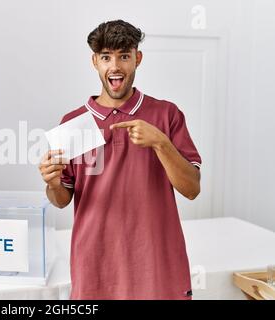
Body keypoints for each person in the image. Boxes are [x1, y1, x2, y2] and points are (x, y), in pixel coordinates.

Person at [39, 20, 202, 299]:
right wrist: (52, 183)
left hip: (157, 268)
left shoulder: (167, 114)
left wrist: (161, 143)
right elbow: (62, 199)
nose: (115, 66)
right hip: (96, 269)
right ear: (95, 62)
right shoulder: (73, 123)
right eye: (106, 57)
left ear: (137, 58)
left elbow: (192, 189)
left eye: (124, 56)